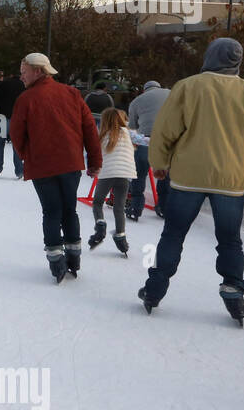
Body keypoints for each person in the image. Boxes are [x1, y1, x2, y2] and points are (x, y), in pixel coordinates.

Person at [138, 37, 244, 324]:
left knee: (173, 234)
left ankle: (155, 287)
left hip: (188, 177)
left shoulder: (188, 87)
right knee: (230, 240)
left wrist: (160, 163)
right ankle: (232, 290)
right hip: (231, 180)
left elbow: (165, 130)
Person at [10, 52, 102, 282]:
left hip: (42, 165)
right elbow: (90, 128)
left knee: (52, 211)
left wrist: (26, 155)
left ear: (37, 71)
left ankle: (55, 260)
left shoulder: (27, 99)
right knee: (69, 209)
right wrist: (94, 161)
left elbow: (16, 134)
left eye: (23, 72)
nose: (21, 77)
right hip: (70, 162)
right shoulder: (71, 93)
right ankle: (74, 256)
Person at [87, 108, 136, 256]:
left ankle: (100, 225)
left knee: (97, 202)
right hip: (125, 174)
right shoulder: (130, 134)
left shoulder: (101, 135)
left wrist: (92, 169)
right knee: (119, 208)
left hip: (107, 173)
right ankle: (121, 239)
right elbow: (145, 141)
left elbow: (92, 154)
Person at [125, 80, 170, 221]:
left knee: (139, 174)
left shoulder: (137, 101)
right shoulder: (172, 94)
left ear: (144, 90)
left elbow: (132, 126)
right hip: (168, 142)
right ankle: (164, 207)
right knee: (166, 176)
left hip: (146, 141)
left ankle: (135, 208)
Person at [0, 69, 25, 178]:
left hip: (1, 116)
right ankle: (19, 171)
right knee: (17, 146)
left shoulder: (3, 84)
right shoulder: (23, 85)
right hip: (17, 118)